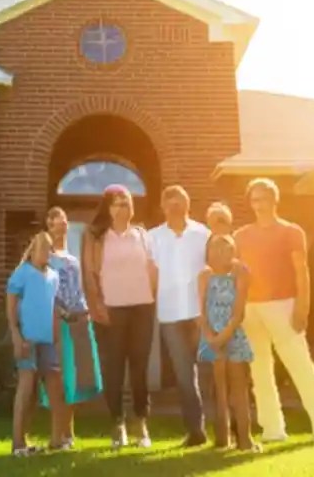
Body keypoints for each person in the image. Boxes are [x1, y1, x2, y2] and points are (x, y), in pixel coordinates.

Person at [235, 177, 314, 444]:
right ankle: (272, 429)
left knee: (300, 365)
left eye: (263, 198)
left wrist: (302, 308)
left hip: (283, 305)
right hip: (250, 309)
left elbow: (301, 272)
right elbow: (237, 276)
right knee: (259, 370)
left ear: (275, 199)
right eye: (254, 199)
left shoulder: (292, 231)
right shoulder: (241, 236)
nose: (258, 204)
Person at [81, 184, 157, 449]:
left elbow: (152, 269)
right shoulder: (95, 236)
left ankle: (141, 423)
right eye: (116, 203)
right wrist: (96, 305)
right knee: (113, 369)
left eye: (125, 203)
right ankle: (117, 423)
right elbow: (90, 274)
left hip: (142, 308)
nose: (121, 207)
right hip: (111, 310)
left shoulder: (142, 234)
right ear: (107, 208)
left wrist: (154, 297)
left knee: (139, 369)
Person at [36, 206, 103, 449]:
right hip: (58, 323)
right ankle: (59, 433)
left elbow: (79, 289)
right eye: (55, 223)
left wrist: (86, 312)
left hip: (79, 320)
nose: (61, 226)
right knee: (60, 378)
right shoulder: (46, 258)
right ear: (48, 227)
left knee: (75, 379)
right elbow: (44, 292)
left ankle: (69, 433)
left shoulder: (73, 258)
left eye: (64, 221)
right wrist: (59, 312)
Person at [149, 185, 210, 447]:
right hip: (170, 314)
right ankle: (195, 431)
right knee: (184, 375)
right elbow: (151, 276)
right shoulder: (153, 237)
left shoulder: (203, 234)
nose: (174, 207)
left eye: (179, 201)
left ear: (188, 204)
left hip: (200, 313)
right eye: (169, 202)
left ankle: (223, 428)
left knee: (208, 372)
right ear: (163, 207)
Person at [198, 202, 257, 452]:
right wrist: (211, 337)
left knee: (238, 389)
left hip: (232, 334)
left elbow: (239, 311)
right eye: (214, 249)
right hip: (211, 336)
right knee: (218, 389)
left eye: (225, 249)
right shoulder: (204, 276)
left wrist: (225, 335)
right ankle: (222, 438)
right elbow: (200, 311)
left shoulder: (240, 273)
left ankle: (245, 438)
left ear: (232, 251)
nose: (219, 253)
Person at [6, 231, 68, 457]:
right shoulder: (21, 274)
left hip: (47, 341)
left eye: (48, 248)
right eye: (41, 247)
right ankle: (18, 443)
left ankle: (56, 440)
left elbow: (53, 309)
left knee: (55, 388)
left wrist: (57, 339)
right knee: (26, 389)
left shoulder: (53, 276)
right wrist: (16, 335)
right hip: (27, 339)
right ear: (32, 250)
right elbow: (11, 307)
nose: (45, 252)